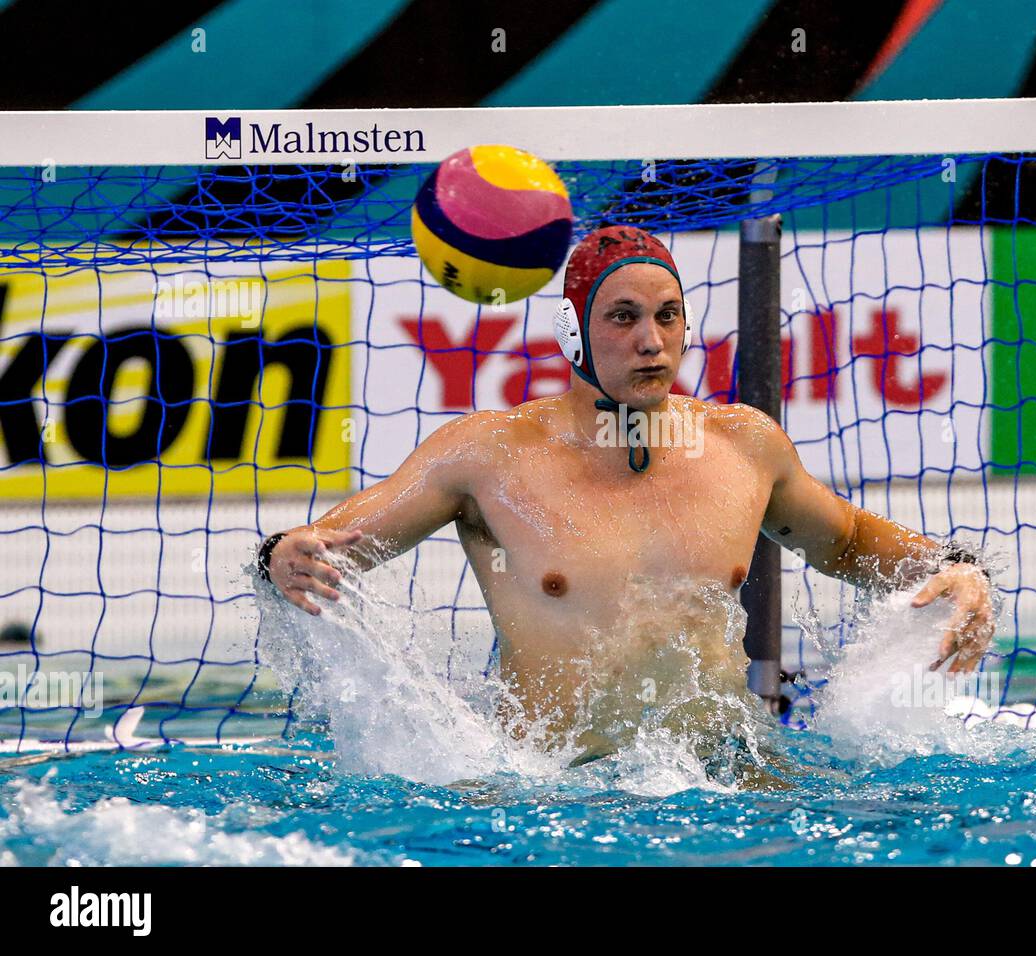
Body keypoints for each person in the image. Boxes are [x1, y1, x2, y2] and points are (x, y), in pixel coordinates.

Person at [256, 225, 995, 763]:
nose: (653, 341)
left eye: (668, 316)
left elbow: (852, 543)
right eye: (625, 317)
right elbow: (337, 544)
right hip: (550, 793)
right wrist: (286, 553)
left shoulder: (742, 446)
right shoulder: (489, 455)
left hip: (726, 785)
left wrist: (958, 567)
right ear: (573, 331)